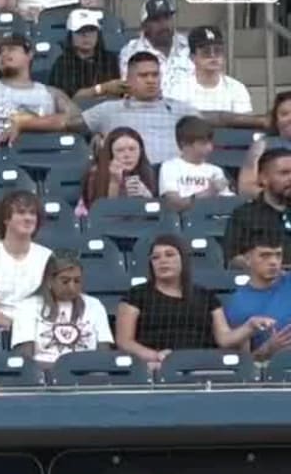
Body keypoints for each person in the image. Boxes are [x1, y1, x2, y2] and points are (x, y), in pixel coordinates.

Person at [114, 235, 263, 371]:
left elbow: (224, 339)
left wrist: (249, 327)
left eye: (170, 255)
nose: (162, 261)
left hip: (202, 367)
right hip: (156, 367)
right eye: (155, 257)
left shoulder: (206, 297)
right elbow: (124, 341)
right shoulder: (135, 296)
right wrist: (156, 356)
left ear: (183, 260)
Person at [0, 33, 78, 147]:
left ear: (29, 54)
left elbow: (79, 120)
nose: (4, 54)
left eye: (11, 49)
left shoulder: (52, 93)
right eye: (0, 52)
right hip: (0, 152)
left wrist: (26, 124)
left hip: (44, 151)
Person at [10, 250, 113, 368]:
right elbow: (25, 359)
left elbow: (104, 354)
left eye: (77, 281)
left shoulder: (94, 305)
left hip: (87, 372)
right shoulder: (27, 307)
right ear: (49, 280)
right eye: (65, 281)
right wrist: (63, 370)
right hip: (44, 374)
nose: (72, 287)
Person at [0, 190, 51, 329]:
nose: (28, 218)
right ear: (6, 219)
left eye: (32, 213)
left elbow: (56, 304)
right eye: (21, 212)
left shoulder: (48, 257)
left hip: (41, 328)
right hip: (1, 330)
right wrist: (19, 329)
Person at [223, 231, 291, 361]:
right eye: (265, 255)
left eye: (278, 255)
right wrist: (268, 349)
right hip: (273, 368)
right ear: (247, 260)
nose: (274, 262)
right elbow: (244, 364)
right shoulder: (237, 304)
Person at [118, 0, 193, 98]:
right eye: (156, 20)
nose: (163, 24)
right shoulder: (131, 52)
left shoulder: (190, 46)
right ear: (144, 26)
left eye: (167, 18)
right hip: (148, 106)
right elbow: (131, 90)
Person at [158, 116, 231, 211]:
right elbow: (174, 203)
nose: (210, 148)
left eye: (210, 143)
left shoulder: (216, 171)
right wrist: (208, 192)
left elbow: (227, 203)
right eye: (203, 143)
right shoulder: (170, 167)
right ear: (185, 144)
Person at [46, 8, 119, 98]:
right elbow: (66, 97)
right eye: (80, 31)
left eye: (91, 30)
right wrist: (103, 88)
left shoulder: (110, 59)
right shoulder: (62, 64)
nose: (86, 35)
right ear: (71, 35)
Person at [81, 127, 157, 211]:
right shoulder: (95, 174)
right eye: (120, 150)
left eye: (132, 149)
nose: (127, 155)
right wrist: (114, 182)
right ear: (110, 154)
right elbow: (101, 212)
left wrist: (147, 196)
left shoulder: (147, 171)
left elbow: (157, 213)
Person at [237, 91, 291, 198]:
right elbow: (245, 188)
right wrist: (275, 198)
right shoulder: (262, 146)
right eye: (284, 114)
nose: (290, 118)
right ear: (276, 120)